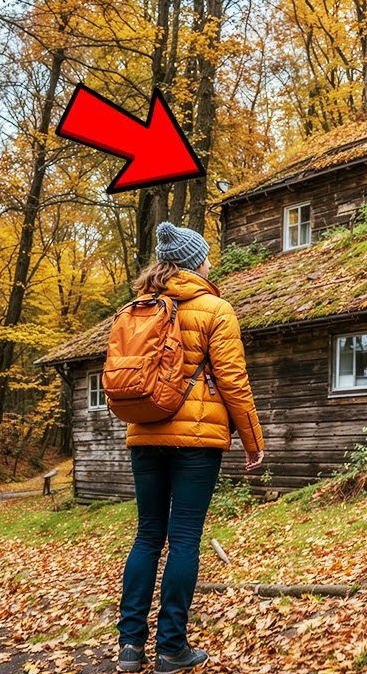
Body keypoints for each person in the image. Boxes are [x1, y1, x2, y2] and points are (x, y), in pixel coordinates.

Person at [116, 222, 266, 673]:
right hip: (196, 441)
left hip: (143, 433)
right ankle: (171, 648)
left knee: (147, 536)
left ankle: (129, 647)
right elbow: (233, 381)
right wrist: (252, 440)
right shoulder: (215, 308)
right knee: (183, 538)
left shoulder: (135, 309)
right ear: (196, 261)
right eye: (206, 256)